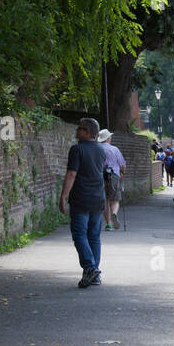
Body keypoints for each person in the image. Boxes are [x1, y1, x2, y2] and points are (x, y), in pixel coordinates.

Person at [58, 117, 107, 288]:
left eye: (79, 128)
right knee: (94, 236)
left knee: (79, 234)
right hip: (98, 198)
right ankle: (94, 274)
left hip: (81, 198)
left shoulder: (77, 150)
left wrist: (63, 196)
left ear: (87, 132)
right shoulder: (101, 150)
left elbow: (72, 174)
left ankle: (90, 268)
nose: (76, 131)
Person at [98, 129, 127, 230]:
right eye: (110, 137)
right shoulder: (114, 149)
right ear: (108, 138)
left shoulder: (97, 149)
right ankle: (114, 213)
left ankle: (108, 224)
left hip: (100, 175)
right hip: (113, 175)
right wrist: (122, 172)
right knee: (115, 200)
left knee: (105, 200)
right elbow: (123, 165)